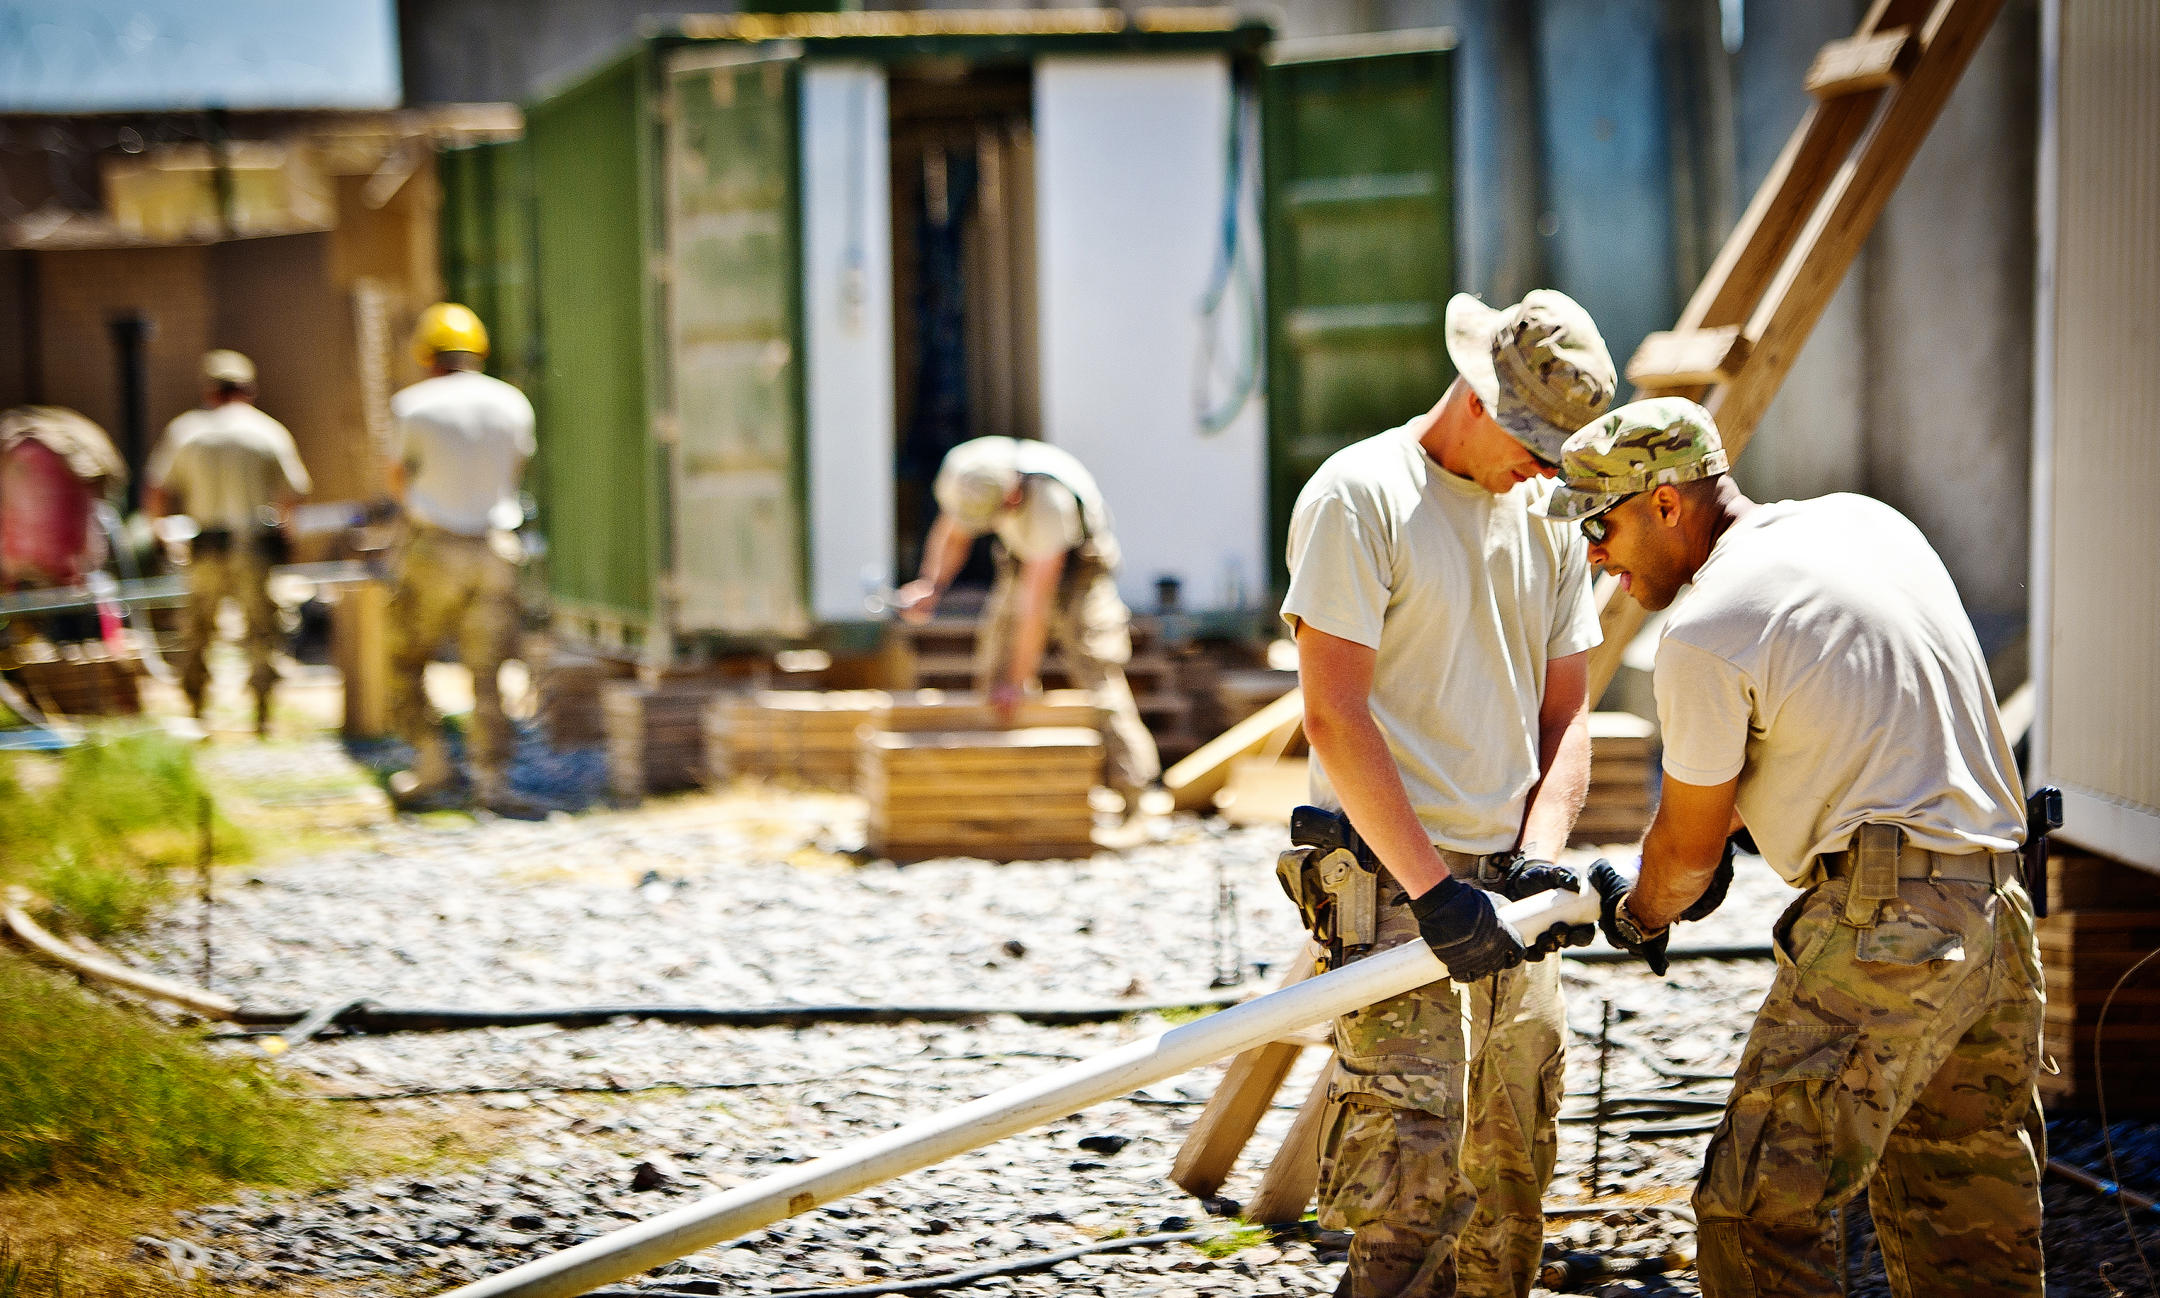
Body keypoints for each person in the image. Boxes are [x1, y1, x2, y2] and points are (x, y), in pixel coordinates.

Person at [1540, 398, 2042, 1297]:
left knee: (1754, 1208)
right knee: (1967, 1233)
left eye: (1599, 521)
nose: (1593, 554)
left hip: (1888, 935)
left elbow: (1686, 851)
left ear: (1665, 503)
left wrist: (1638, 913)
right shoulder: (1861, 523)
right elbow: (1847, 725)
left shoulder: (1704, 630)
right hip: (1997, 918)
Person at [1283, 289, 1615, 1298]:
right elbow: (1335, 715)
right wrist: (1432, 891)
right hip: (1390, 876)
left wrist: (1541, 851)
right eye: (1532, 444)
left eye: (1560, 454)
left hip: (1505, 882)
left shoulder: (1546, 515)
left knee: (1511, 1181)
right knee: (1411, 1184)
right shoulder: (1362, 496)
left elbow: (1569, 713)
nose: (1543, 470)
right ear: (1476, 394)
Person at [893, 436, 1159, 809]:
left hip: (1082, 574)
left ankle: (1136, 797)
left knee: (1097, 679)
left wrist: (1017, 681)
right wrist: (930, 586)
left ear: (1012, 497)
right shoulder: (968, 474)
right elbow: (953, 531)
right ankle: (1011, 789)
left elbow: (1035, 607)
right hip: (1022, 563)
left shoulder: (1049, 503)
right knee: (993, 674)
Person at [384, 303, 541, 819]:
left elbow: (398, 477)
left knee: (406, 658)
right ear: (480, 351)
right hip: (496, 547)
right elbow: (516, 468)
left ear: (427, 356)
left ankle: (431, 764)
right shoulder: (512, 402)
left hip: (434, 547)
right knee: (489, 667)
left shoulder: (413, 405)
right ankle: (492, 781)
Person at [143, 349, 310, 734]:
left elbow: (155, 490)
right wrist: (288, 538)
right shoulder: (268, 431)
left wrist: (160, 533)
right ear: (248, 389)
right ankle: (263, 715)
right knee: (263, 632)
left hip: (205, 547)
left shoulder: (187, 431)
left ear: (209, 390)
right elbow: (292, 494)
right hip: (254, 545)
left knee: (198, 631)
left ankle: (198, 711)